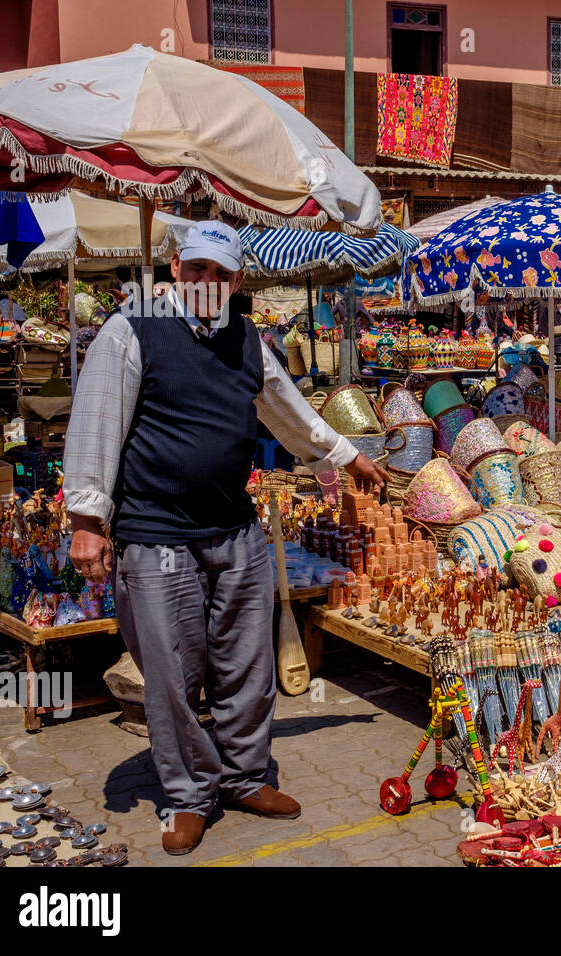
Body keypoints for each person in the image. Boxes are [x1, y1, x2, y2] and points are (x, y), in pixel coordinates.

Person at [64, 221, 387, 857]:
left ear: (237, 281)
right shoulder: (131, 331)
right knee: (172, 672)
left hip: (234, 531)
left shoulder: (247, 339)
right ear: (177, 271)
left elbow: (287, 408)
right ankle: (187, 795)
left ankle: (244, 778)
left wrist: (346, 455)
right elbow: (96, 421)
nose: (207, 282)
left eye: (220, 273)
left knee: (247, 666)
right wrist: (85, 521)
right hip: (157, 534)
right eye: (196, 270)